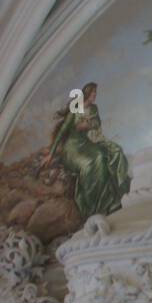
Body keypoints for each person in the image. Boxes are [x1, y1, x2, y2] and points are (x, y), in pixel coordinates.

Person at [44, 82, 130, 218]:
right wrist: (51, 153)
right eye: (93, 93)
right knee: (90, 163)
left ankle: (105, 202)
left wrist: (88, 124)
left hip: (85, 143)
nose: (95, 96)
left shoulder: (94, 108)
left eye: (96, 93)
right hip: (72, 147)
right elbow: (63, 131)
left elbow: (97, 123)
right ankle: (91, 204)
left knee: (104, 155)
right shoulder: (75, 108)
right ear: (87, 93)